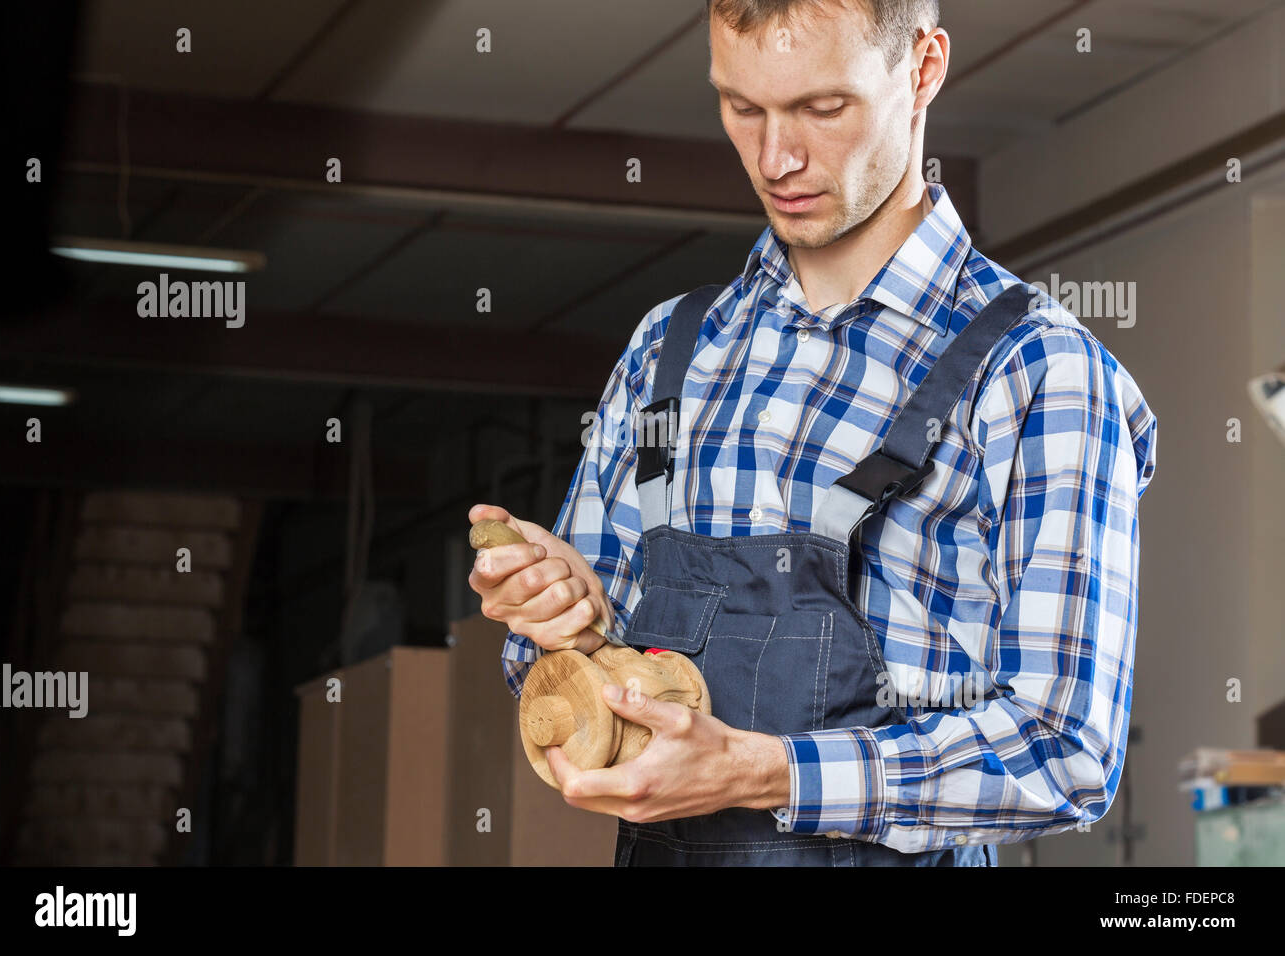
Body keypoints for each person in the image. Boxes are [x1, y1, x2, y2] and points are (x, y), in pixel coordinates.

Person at [468, 0, 1158, 866]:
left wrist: (764, 774)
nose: (775, 158)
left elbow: (1064, 750)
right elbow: (583, 680)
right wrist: (559, 625)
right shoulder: (668, 350)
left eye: (822, 108)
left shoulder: (1038, 371)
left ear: (923, 69)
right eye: (742, 107)